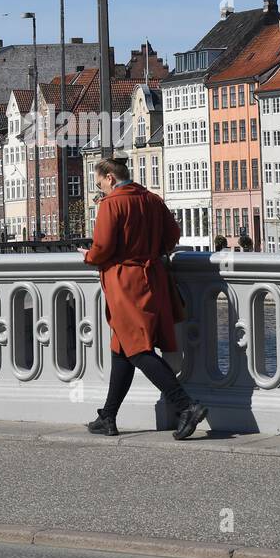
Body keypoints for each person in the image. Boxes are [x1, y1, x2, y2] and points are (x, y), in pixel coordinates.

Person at [78, 157, 208, 440]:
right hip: (154, 277)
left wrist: (88, 256)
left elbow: (102, 247)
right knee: (121, 350)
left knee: (138, 349)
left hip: (126, 282)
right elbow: (172, 235)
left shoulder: (111, 204)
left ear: (110, 178)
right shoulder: (152, 199)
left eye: (99, 183)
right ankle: (108, 416)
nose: (99, 189)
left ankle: (187, 406)